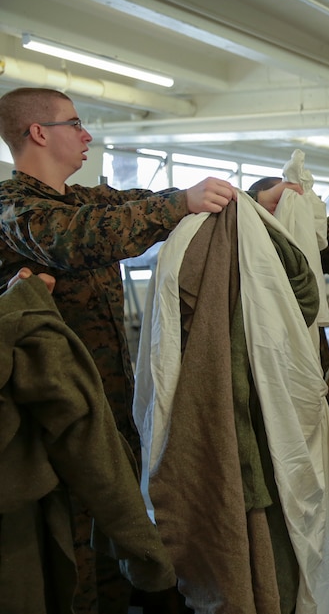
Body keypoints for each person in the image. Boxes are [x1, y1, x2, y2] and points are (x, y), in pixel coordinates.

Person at [0, 86, 285, 614]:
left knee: (116, 545)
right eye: (75, 123)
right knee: (65, 561)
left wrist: (245, 201)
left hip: (107, 416)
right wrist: (178, 203)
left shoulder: (83, 198)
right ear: (38, 133)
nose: (87, 135)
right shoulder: (14, 209)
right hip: (48, 429)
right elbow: (81, 238)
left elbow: (147, 205)